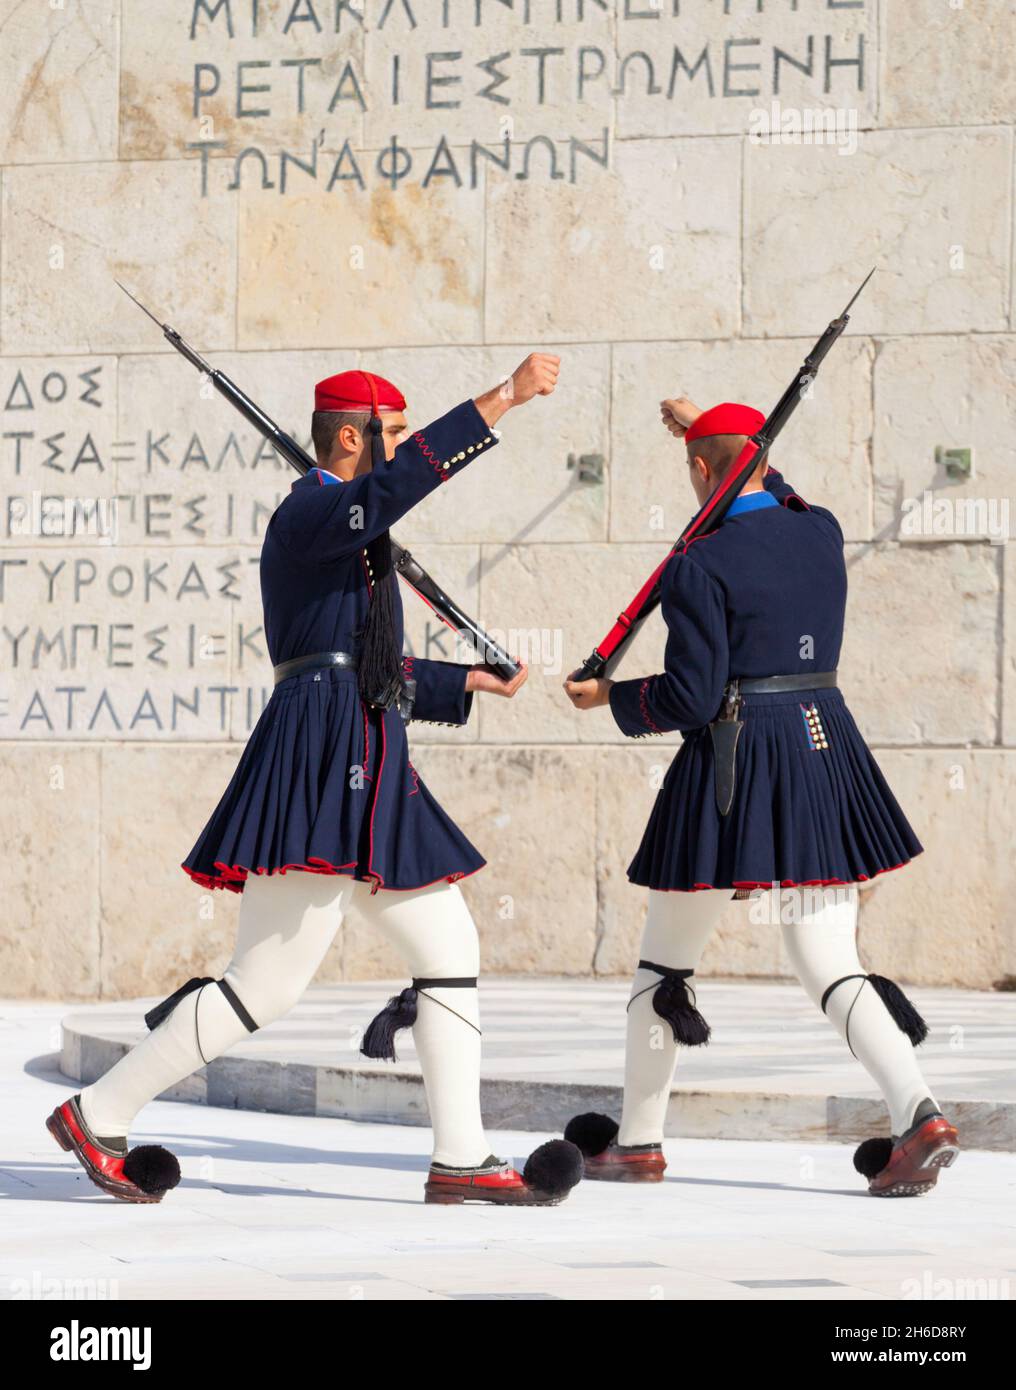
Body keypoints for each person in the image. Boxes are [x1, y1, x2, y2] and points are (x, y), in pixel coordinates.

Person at [48, 356, 583, 1208]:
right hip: (322, 759)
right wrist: (502, 399)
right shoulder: (312, 511)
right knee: (266, 983)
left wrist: (467, 682)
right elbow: (395, 497)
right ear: (349, 437)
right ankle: (97, 1111)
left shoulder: (349, 528)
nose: (402, 449)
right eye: (392, 434)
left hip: (365, 754)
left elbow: (369, 659)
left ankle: (462, 1158)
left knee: (449, 949)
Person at [562, 396, 958, 1198]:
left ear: (704, 469)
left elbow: (691, 695)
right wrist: (712, 432)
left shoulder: (697, 564)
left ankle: (638, 1143)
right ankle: (919, 1115)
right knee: (829, 962)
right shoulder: (822, 529)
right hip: (822, 741)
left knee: (664, 963)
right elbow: (770, 486)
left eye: (691, 468)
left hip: (734, 757)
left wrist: (611, 698)